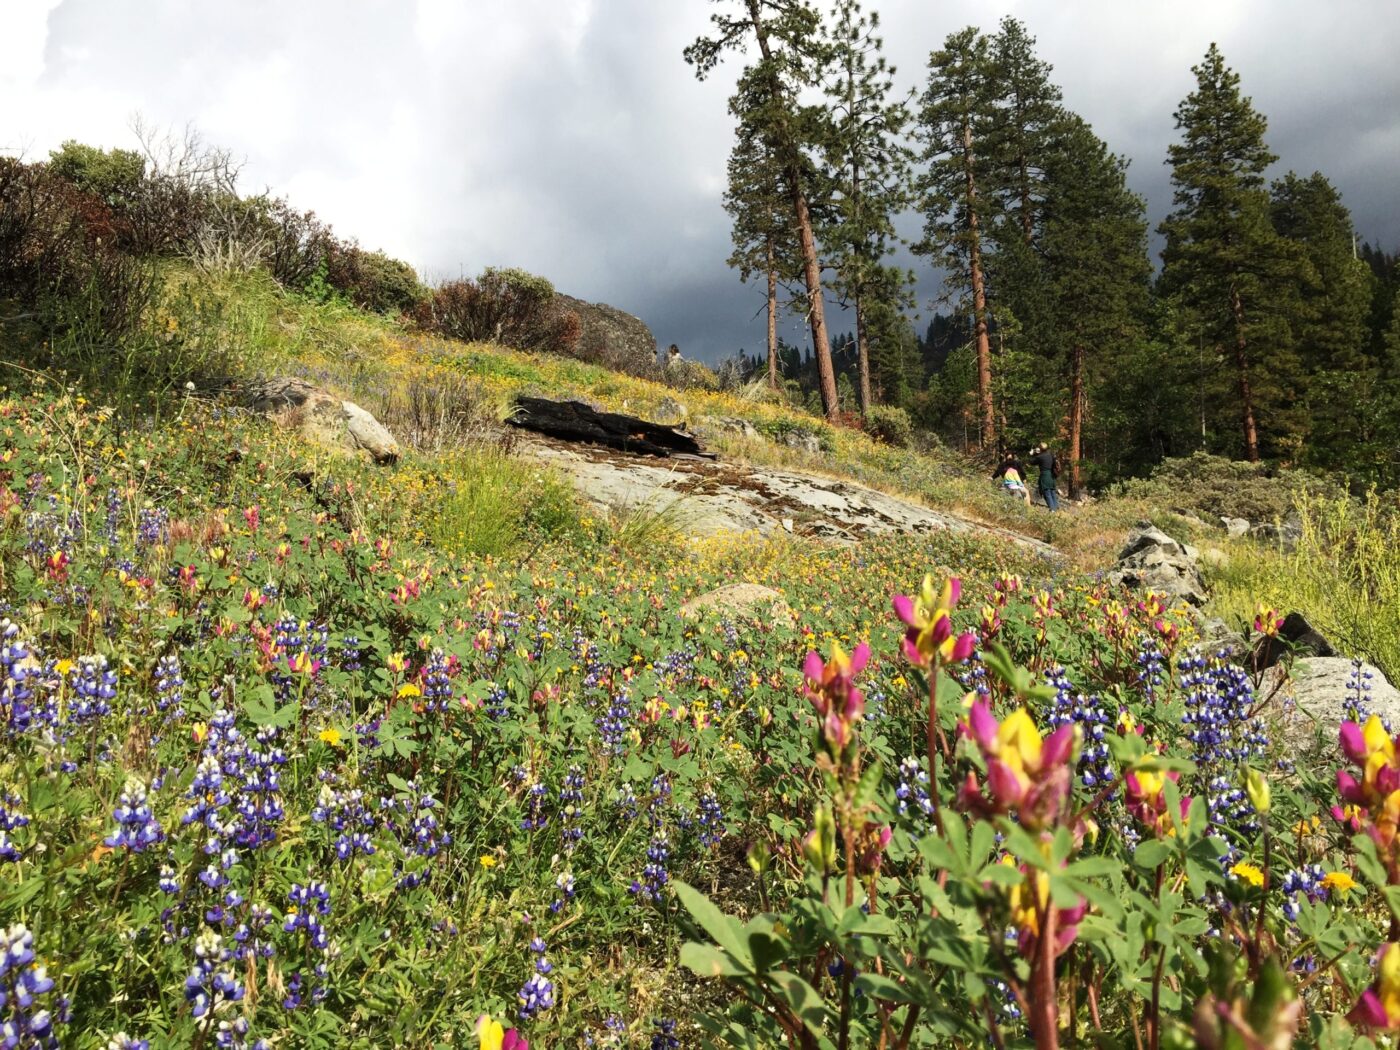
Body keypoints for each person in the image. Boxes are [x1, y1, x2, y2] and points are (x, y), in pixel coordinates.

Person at [1029, 444, 1060, 511]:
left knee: (1047, 492)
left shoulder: (1040, 456)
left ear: (1040, 449)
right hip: (1052, 475)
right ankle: (1056, 508)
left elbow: (1032, 462)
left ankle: (1052, 510)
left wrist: (1031, 454)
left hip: (1045, 475)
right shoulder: (1050, 455)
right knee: (1052, 491)